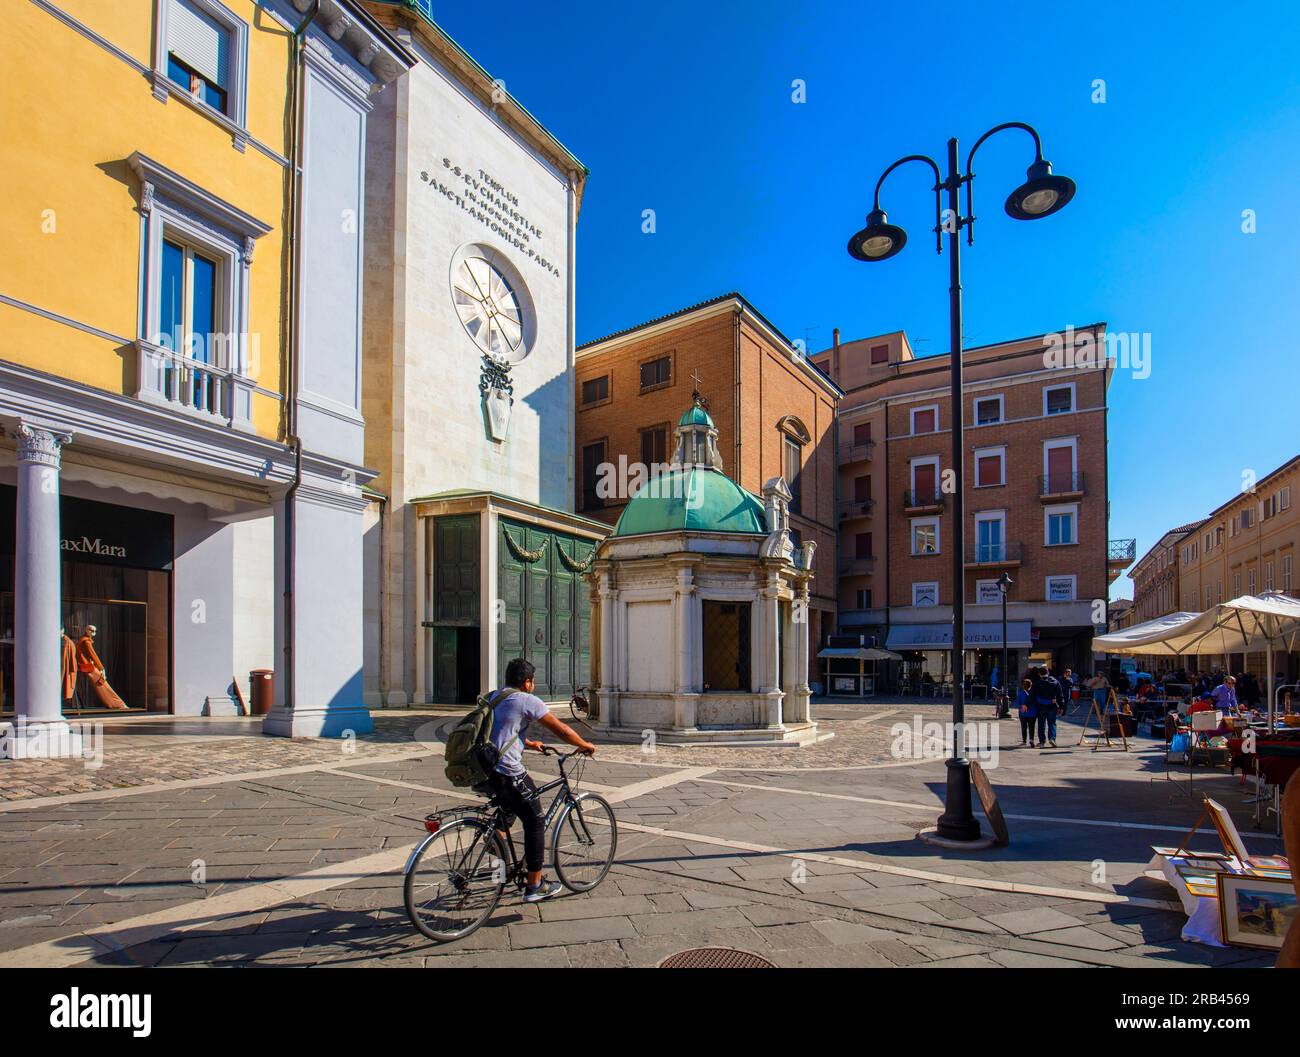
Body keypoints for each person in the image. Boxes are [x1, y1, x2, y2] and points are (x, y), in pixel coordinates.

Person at [477, 658, 596, 903]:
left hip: (484, 769)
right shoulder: (527, 700)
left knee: (509, 809)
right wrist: (584, 745)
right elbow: (561, 729)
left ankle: (496, 841)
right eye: (533, 680)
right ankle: (535, 884)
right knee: (535, 820)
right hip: (507, 770)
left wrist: (528, 743)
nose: (534, 685)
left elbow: (497, 730)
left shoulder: (493, 696)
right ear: (527, 682)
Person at [1033, 665, 1062, 748]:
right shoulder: (1055, 682)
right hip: (1052, 706)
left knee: (1041, 724)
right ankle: (1052, 738)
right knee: (1052, 723)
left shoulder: (1037, 683)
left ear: (1039, 674)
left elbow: (1033, 696)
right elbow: (1060, 695)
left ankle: (1042, 741)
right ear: (1048, 673)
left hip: (1041, 707)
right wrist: (1061, 707)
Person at [1016, 677, 1037, 747]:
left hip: (1023, 713)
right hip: (1032, 713)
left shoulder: (1020, 693)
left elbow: (1017, 703)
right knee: (1032, 727)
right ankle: (1031, 739)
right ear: (1031, 685)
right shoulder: (1034, 693)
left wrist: (1021, 707)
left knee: (1023, 727)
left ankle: (1024, 741)